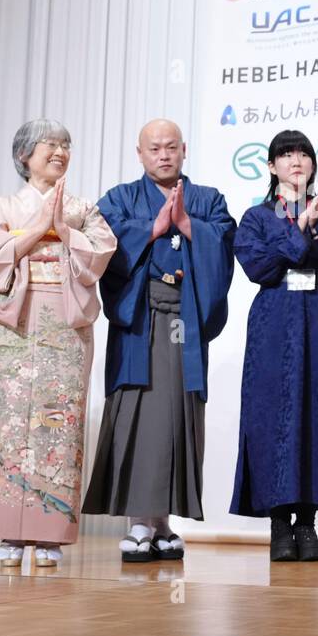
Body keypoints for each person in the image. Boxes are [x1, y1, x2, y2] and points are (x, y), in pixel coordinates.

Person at [81, 119, 236, 562]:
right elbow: (101, 246)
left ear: (184, 150)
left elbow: (224, 247)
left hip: (184, 321)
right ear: (140, 153)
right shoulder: (119, 199)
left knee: (177, 417)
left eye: (171, 147)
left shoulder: (208, 200)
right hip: (139, 321)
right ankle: (138, 521)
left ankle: (164, 521)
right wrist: (151, 228)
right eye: (154, 148)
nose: (164, 155)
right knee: (139, 415)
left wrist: (188, 224)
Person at [0, 120, 115, 568]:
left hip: (65, 323)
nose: (60, 152)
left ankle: (50, 533)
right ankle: (10, 532)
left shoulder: (82, 207)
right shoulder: (4, 205)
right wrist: (36, 231)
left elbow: (101, 252)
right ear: (24, 155)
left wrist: (64, 231)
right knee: (10, 423)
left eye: (66, 145)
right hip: (19, 321)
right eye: (50, 144)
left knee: (59, 421)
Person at [229, 130, 318, 561]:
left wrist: (315, 231)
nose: (295, 160)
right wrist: (300, 234)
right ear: (272, 166)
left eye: (303, 154)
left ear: (313, 164)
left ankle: (308, 525)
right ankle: (279, 524)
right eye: (285, 154)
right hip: (274, 319)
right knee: (273, 415)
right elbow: (257, 266)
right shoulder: (256, 216)